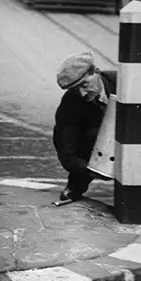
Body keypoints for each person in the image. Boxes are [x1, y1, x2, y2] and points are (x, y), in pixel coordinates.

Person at [53, 52, 116, 204]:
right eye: (76, 89)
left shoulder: (120, 81)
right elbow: (66, 149)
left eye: (84, 85)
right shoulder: (71, 102)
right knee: (88, 138)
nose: (82, 93)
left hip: (125, 136)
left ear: (95, 72)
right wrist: (90, 171)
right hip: (93, 146)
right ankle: (75, 186)